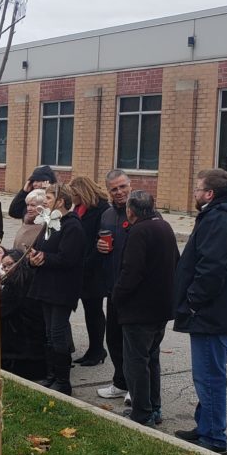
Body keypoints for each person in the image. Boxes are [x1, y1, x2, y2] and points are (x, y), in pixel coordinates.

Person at [173, 169, 227, 455]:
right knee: (208, 374)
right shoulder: (224, 214)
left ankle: (215, 439)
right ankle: (204, 426)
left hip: (212, 315)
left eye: (197, 189)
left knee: (209, 377)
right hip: (220, 313)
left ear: (210, 194)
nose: (194, 193)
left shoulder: (219, 218)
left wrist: (193, 302)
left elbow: (213, 268)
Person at [112, 190, 178, 427]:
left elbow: (131, 272)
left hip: (140, 309)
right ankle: (154, 407)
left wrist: (117, 296)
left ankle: (141, 411)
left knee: (136, 362)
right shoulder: (164, 226)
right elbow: (176, 262)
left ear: (131, 210)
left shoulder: (139, 231)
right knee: (151, 359)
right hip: (160, 307)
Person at [27, 183, 85, 395]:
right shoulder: (51, 222)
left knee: (58, 334)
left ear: (60, 201)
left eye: (49, 199)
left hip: (62, 289)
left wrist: (45, 258)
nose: (45, 203)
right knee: (49, 334)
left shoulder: (72, 226)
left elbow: (68, 258)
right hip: (46, 286)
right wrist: (34, 257)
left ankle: (63, 380)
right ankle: (51, 375)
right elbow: (43, 249)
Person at [95, 170, 132, 402]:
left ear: (130, 185)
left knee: (134, 343)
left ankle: (135, 386)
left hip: (134, 289)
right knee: (114, 339)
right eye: (114, 189)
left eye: (122, 187)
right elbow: (100, 243)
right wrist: (99, 246)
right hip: (112, 287)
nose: (119, 192)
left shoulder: (141, 211)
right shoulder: (107, 215)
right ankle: (120, 382)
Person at [67, 176, 111, 366]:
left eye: (74, 194)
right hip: (80, 268)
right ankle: (93, 349)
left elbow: (98, 240)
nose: (72, 198)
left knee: (94, 311)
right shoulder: (78, 209)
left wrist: (86, 263)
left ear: (82, 192)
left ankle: (97, 350)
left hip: (94, 269)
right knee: (88, 311)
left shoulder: (101, 210)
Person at [0, 249, 47, 379]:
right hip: (32, 346)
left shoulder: (16, 284)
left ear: (20, 263)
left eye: (9, 264)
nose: (6, 269)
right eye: (3, 266)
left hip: (22, 352)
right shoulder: (27, 277)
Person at [11, 188, 45, 254]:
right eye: (28, 205)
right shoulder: (27, 223)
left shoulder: (44, 227)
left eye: (33, 205)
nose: (29, 208)